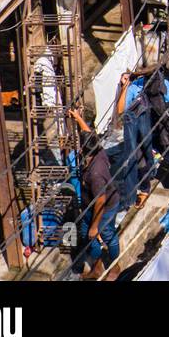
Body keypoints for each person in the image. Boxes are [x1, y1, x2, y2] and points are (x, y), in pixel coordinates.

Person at [69, 108, 120, 280]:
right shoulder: (97, 150)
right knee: (86, 235)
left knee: (107, 235)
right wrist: (78, 118)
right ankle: (98, 264)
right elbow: (88, 133)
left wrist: (94, 226)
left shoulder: (95, 173)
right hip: (90, 204)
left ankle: (115, 267)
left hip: (105, 206)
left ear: (84, 152)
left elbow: (101, 200)